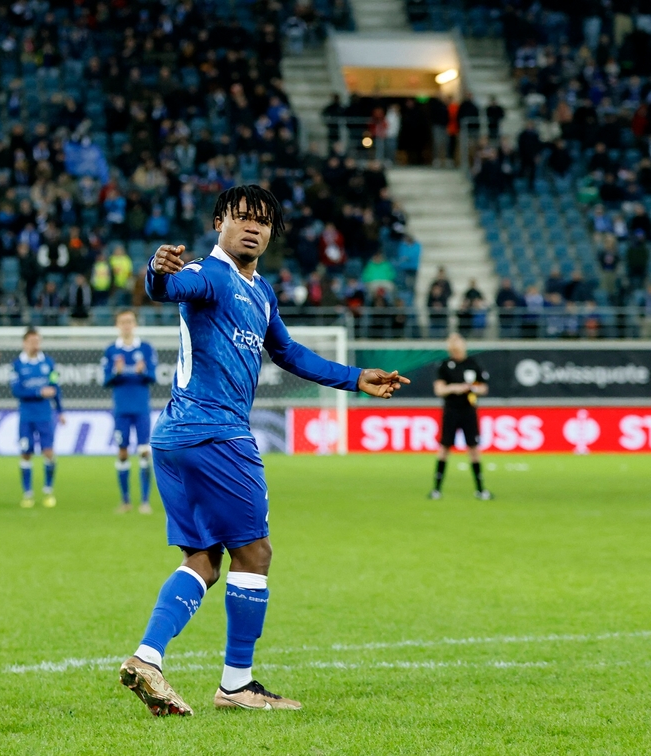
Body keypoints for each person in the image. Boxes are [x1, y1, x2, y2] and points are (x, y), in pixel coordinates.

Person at [119, 185, 409, 717]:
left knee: (203, 561)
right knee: (255, 553)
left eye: (263, 221)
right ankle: (236, 683)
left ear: (271, 233)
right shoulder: (211, 274)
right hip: (219, 433)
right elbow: (170, 288)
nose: (253, 227)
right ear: (218, 223)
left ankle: (147, 658)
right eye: (241, 218)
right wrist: (156, 273)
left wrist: (354, 377)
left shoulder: (262, 292)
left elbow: (288, 351)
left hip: (175, 437)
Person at [101, 309, 158, 514]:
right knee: (123, 453)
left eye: (130, 321)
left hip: (141, 408)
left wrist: (144, 372)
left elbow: (154, 377)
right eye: (123, 322)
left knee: (144, 452)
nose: (126, 325)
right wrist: (115, 372)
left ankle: (144, 501)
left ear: (135, 324)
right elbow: (105, 380)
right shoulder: (111, 351)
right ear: (117, 325)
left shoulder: (146, 348)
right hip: (121, 410)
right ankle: (125, 500)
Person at [430, 333, 492, 500]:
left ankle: (480, 489)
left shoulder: (472, 364)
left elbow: (483, 388)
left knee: (473, 448)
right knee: (444, 448)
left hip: (468, 410)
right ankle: (436, 489)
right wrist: (456, 388)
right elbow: (439, 389)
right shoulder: (444, 365)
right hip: (451, 410)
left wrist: (473, 388)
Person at [11, 328, 64, 508]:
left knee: (48, 452)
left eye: (37, 341)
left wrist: (61, 410)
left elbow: (55, 386)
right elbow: (16, 390)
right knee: (26, 453)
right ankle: (27, 494)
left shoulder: (48, 363)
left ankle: (48, 491)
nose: (35, 344)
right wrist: (38, 392)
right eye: (32, 341)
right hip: (26, 416)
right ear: (24, 343)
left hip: (45, 415)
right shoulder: (17, 364)